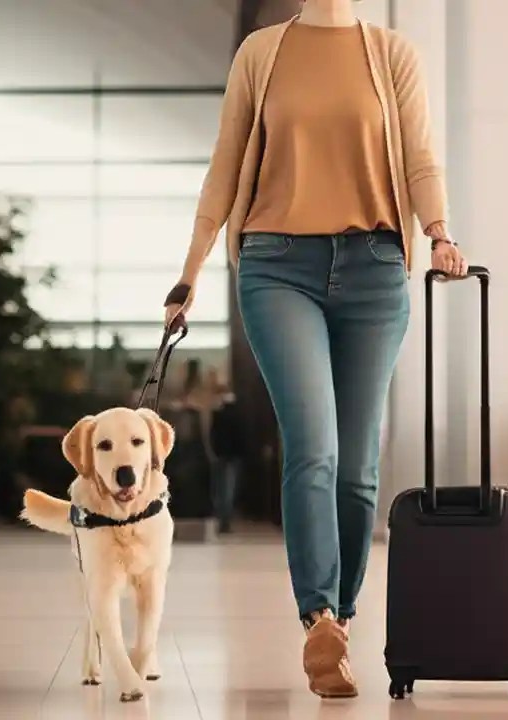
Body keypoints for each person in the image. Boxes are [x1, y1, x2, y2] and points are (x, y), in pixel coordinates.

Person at [161, 0, 468, 699]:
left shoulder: (393, 55)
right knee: (314, 446)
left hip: (374, 267)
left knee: (360, 465)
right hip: (276, 265)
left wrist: (442, 231)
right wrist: (190, 271)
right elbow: (225, 163)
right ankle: (317, 614)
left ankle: (343, 622)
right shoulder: (262, 54)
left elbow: (419, 153)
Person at [207, 381, 241, 534]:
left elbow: (213, 435)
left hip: (221, 455)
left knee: (221, 490)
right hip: (232, 455)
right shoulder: (235, 412)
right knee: (228, 489)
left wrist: (213, 452)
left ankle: (223, 521)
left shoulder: (219, 413)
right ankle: (225, 522)